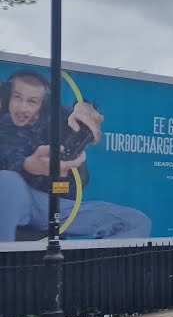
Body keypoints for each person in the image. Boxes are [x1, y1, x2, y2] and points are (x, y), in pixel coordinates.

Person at [0, 70, 150, 241]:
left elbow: (79, 111)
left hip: (49, 204)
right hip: (11, 194)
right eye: (17, 97)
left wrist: (84, 107)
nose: (22, 108)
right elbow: (8, 159)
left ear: (43, 104)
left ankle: (88, 267)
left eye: (32, 101)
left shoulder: (55, 119)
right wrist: (27, 166)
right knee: (7, 181)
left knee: (135, 222)